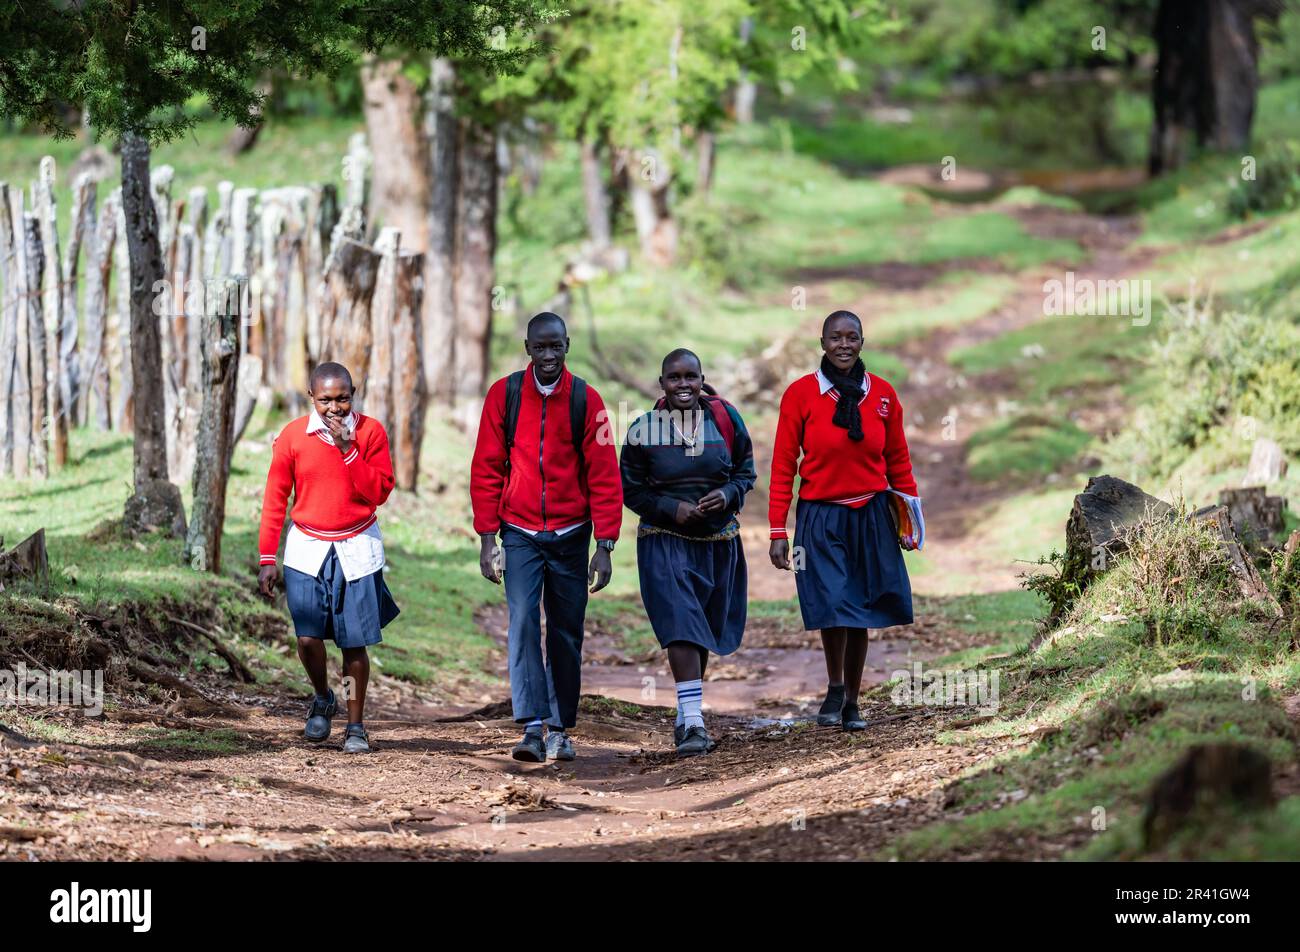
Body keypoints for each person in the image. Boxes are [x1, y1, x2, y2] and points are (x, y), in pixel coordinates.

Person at [471, 312, 623, 763]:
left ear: (568, 345)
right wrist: (486, 537)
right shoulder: (505, 394)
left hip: (572, 534)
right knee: (521, 624)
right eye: (541, 347)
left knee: (564, 630)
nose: (549, 355)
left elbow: (604, 475)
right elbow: (486, 466)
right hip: (519, 531)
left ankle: (560, 727)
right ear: (528, 349)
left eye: (556, 346)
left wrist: (606, 545)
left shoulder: (586, 399)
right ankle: (532, 728)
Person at [768, 311, 921, 732]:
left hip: (871, 513)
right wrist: (777, 529)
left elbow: (898, 461)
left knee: (862, 608)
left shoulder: (884, 395)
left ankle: (852, 699)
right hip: (821, 515)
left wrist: (909, 519)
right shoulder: (801, 394)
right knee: (832, 603)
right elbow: (784, 464)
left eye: (852, 337)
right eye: (835, 337)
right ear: (822, 343)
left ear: (862, 342)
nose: (843, 345)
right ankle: (834, 684)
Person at [257, 361, 399, 754]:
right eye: (325, 400)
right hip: (307, 549)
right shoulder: (293, 437)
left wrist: (349, 451)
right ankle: (322, 696)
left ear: (353, 395)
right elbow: (275, 497)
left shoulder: (370, 433)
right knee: (307, 638)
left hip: (357, 547)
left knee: (353, 645)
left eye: (342, 398)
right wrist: (267, 556)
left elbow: (379, 492)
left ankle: (355, 725)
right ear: (311, 397)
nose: (334, 408)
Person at [621, 349, 756, 756]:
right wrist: (670, 508)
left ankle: (686, 711)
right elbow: (630, 489)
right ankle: (695, 722)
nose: (683, 385)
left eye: (690, 377)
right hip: (663, 540)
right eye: (674, 378)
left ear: (701, 379)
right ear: (661, 383)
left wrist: (728, 494)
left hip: (718, 542)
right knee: (681, 621)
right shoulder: (644, 429)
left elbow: (745, 472)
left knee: (703, 629)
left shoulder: (726, 420)